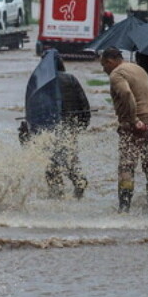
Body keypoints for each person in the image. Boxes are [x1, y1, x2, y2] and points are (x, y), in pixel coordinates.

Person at [99, 47, 148, 213]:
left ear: (110, 61)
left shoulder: (117, 74)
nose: (103, 69)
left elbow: (127, 93)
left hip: (135, 125)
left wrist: (134, 119)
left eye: (103, 65)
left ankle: (124, 209)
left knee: (126, 166)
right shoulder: (138, 68)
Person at [45, 55, 91, 199]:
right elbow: (83, 102)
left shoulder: (43, 83)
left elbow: (37, 108)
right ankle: (79, 183)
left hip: (50, 127)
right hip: (70, 125)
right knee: (69, 156)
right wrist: (84, 123)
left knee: (51, 160)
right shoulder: (71, 79)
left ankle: (56, 194)